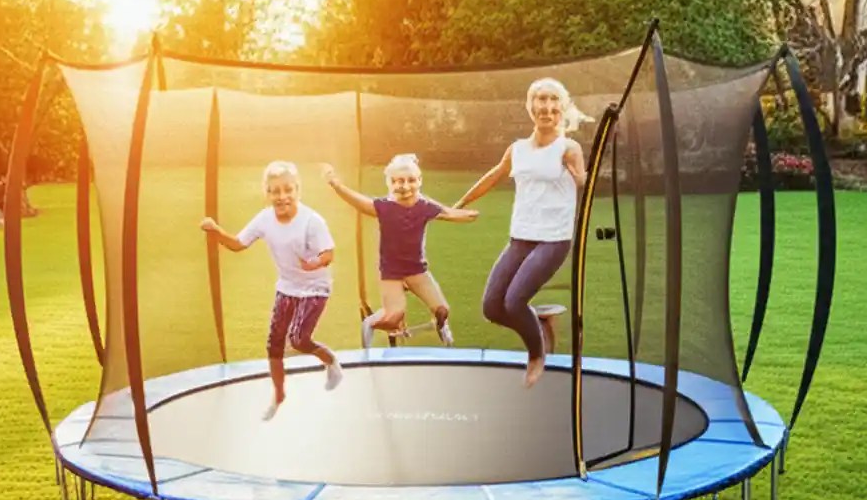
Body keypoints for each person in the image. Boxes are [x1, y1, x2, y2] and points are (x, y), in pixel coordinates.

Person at [453, 77, 591, 387]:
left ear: (562, 108)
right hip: (521, 236)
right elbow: (494, 176)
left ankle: (537, 354)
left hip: (554, 239)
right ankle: (539, 321)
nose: (547, 107)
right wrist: (460, 203)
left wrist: (580, 178)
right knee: (492, 307)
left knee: (514, 301)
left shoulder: (568, 148)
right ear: (530, 107)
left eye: (553, 100)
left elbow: (583, 182)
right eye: (541, 99)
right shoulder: (517, 149)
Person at [201, 160, 343, 420]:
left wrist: (312, 264)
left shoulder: (312, 221)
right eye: (275, 191)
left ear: (298, 190)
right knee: (274, 345)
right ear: (267, 193)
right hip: (287, 287)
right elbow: (238, 244)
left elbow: (328, 254)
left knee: (298, 339)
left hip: (315, 288)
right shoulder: (265, 219)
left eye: (288, 190)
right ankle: (278, 395)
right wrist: (215, 231)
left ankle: (330, 361)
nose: (282, 196)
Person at [320, 154, 478, 348]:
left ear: (419, 181)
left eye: (411, 180)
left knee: (442, 310)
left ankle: (441, 326)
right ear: (389, 183)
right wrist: (336, 185)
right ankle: (370, 322)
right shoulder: (384, 207)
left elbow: (449, 213)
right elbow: (359, 202)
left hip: (417, 271)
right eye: (398, 181)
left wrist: (470, 214)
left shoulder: (425, 206)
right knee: (394, 316)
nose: (405, 186)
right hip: (391, 272)